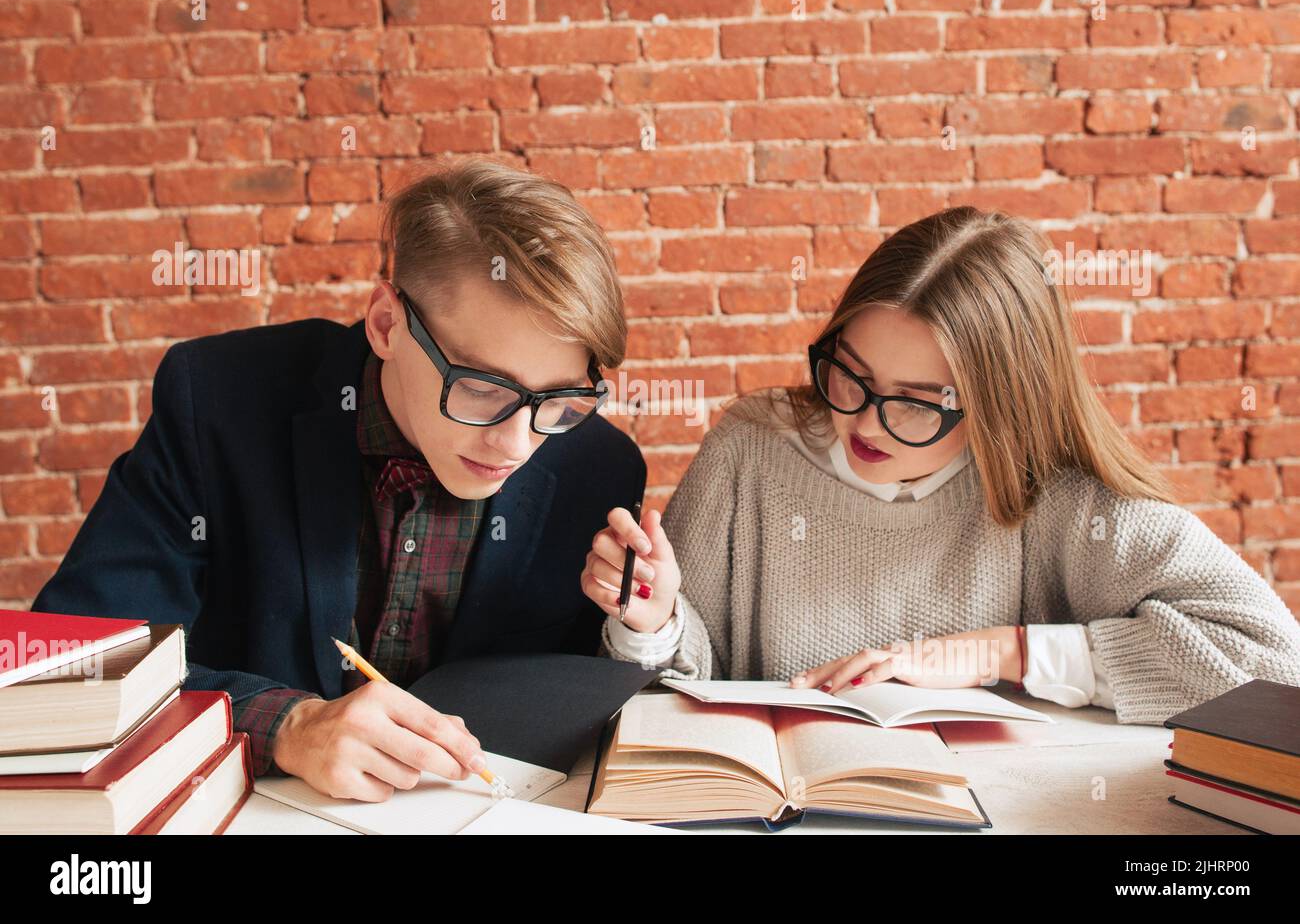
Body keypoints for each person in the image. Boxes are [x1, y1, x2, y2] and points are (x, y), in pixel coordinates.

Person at [32, 158, 645, 800]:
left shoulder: (597, 467)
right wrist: (288, 726)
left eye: (561, 400)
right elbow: (82, 665)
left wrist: (641, 631)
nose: (518, 443)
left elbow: (580, 702)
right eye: (481, 387)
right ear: (386, 324)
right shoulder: (216, 400)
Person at [583, 205, 1300, 724]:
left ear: (1000, 404)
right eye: (850, 375)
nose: (864, 421)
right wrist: (656, 624)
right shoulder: (751, 448)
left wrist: (999, 653)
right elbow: (668, 691)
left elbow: (1274, 662)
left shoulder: (1053, 493)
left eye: (918, 404)